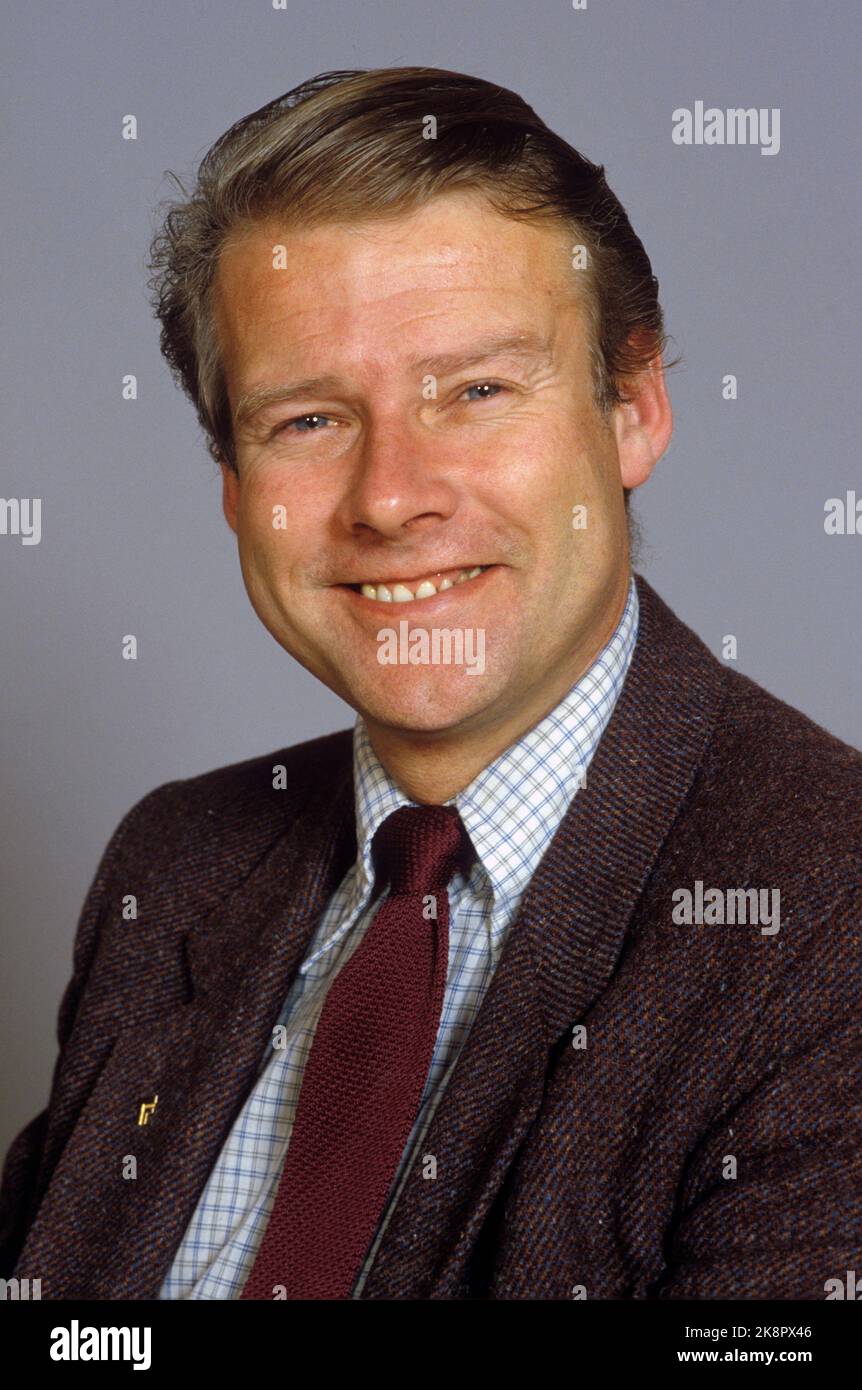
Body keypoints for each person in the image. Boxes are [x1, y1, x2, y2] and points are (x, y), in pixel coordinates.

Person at [2, 66, 860, 1301]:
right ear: (234, 486)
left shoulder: (827, 923)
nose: (393, 496)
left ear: (632, 408)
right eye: (307, 420)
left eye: (474, 391)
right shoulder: (175, 867)